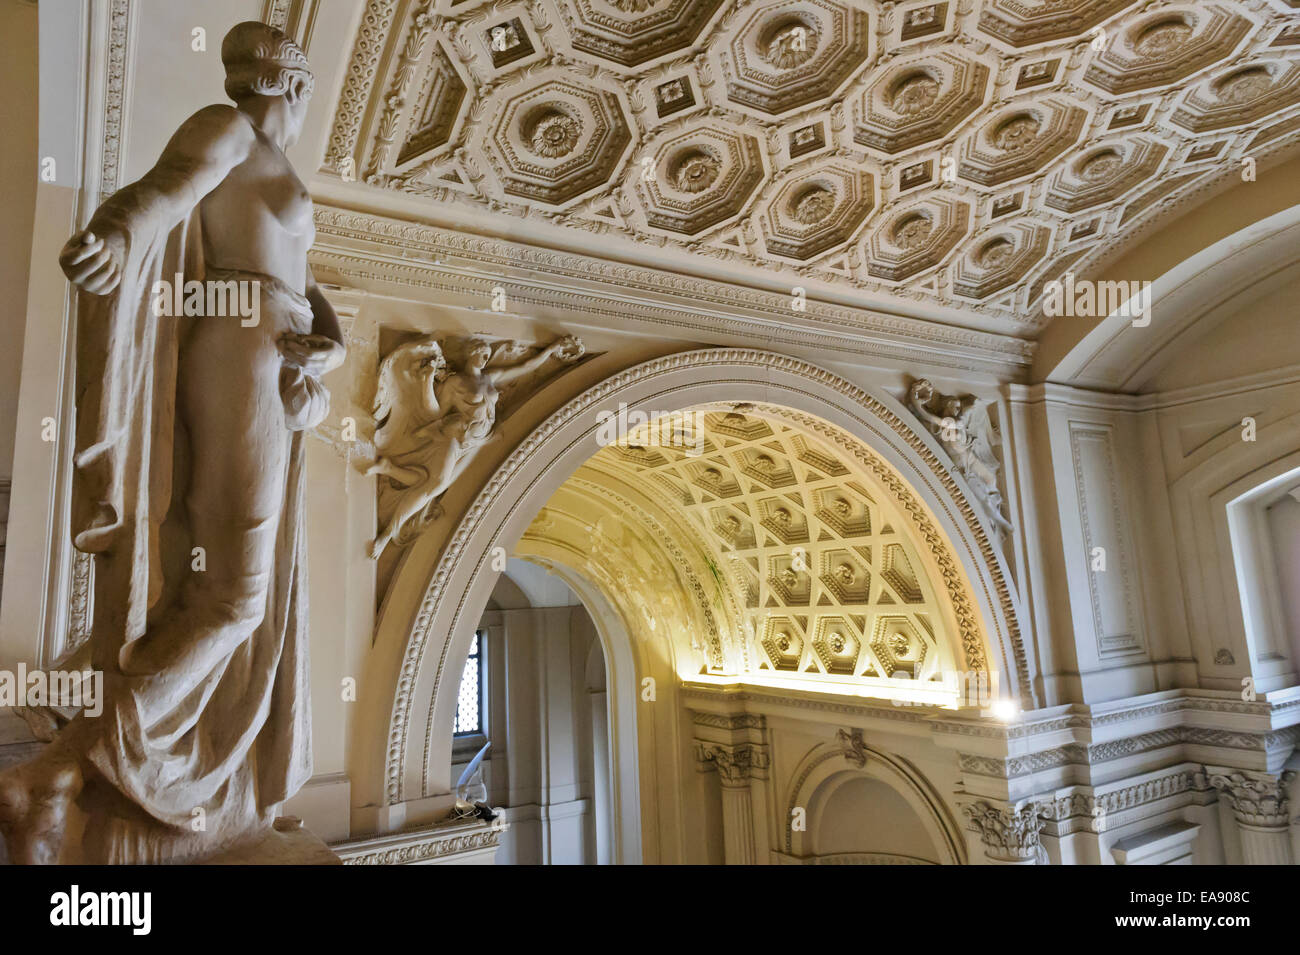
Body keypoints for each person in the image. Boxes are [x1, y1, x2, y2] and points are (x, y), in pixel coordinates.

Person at [0, 21, 343, 864]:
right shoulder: (228, 129)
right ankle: (57, 769)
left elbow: (305, 276)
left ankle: (93, 755)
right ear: (291, 87)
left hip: (277, 355)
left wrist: (327, 336)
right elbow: (164, 191)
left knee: (223, 588)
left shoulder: (276, 165)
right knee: (234, 595)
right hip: (240, 350)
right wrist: (116, 234)